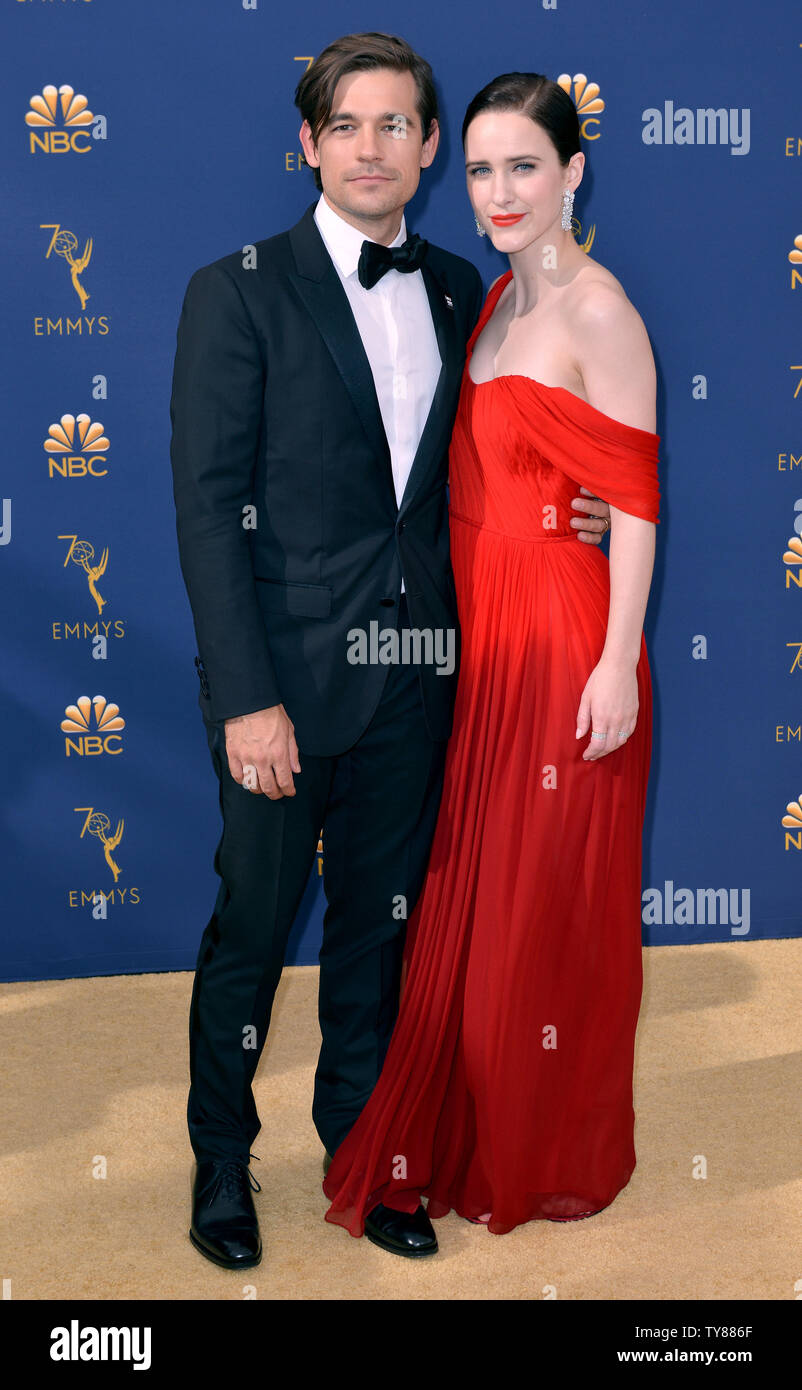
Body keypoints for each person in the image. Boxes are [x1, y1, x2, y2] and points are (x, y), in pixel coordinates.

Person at [169, 37, 610, 1270]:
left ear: (427, 147)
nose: (373, 149)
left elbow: (506, 455)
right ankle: (219, 1162)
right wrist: (248, 699)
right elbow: (209, 512)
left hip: (419, 679)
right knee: (252, 933)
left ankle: (369, 1158)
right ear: (309, 145)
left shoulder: (468, 286)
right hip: (284, 688)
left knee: (382, 933)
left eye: (397, 126)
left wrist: (580, 509)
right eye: (346, 126)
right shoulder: (238, 289)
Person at [322, 70, 660, 1253]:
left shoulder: (600, 311)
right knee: (472, 910)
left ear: (575, 172)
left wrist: (616, 660)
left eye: (525, 164)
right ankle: (457, 1133)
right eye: (478, 168)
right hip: (483, 643)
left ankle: (537, 1148)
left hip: (564, 645)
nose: (499, 190)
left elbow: (636, 501)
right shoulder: (493, 299)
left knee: (534, 917)